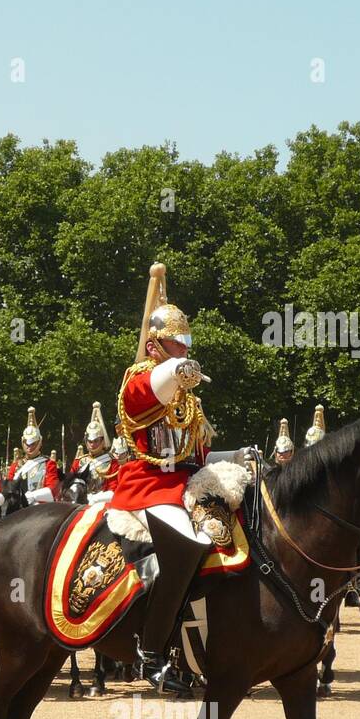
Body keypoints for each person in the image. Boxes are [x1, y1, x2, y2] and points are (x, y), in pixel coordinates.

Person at [111, 263, 218, 692]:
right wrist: (175, 371)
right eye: (177, 343)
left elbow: (199, 452)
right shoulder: (137, 381)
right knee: (187, 544)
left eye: (187, 344)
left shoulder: (190, 401)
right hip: (149, 487)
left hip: (187, 484)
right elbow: (152, 388)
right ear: (154, 345)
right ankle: (151, 651)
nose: (184, 350)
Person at [13, 407, 59, 502]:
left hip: (40, 507)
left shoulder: (48, 464)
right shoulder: (16, 466)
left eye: (33, 443)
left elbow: (53, 490)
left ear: (39, 442)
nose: (29, 447)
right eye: (26, 443)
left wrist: (33, 496)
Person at [82, 400, 119, 503]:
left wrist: (95, 499)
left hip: (102, 503)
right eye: (90, 441)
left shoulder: (112, 461)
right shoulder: (79, 462)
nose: (92, 444)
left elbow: (113, 490)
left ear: (102, 441)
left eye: (96, 441)